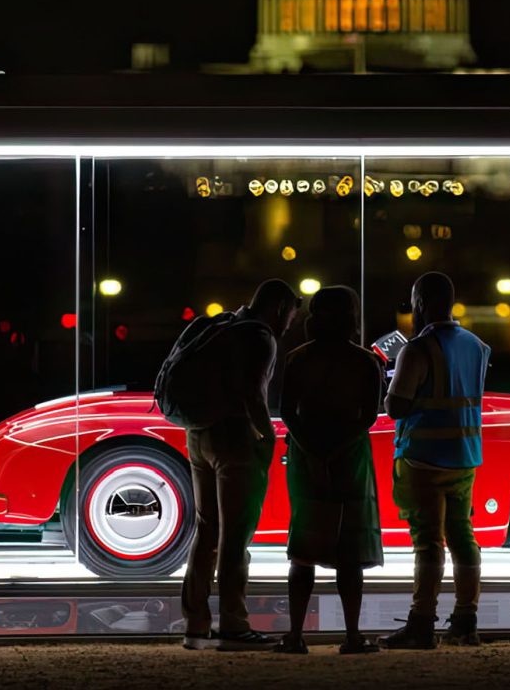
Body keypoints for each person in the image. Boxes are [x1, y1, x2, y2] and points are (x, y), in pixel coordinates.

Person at [179, 278, 301, 652]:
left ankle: (196, 624)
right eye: (290, 317)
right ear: (280, 308)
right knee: (235, 535)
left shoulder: (224, 326)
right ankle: (234, 624)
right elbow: (253, 394)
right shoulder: (261, 337)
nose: (289, 326)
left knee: (206, 531)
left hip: (198, 434)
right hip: (234, 438)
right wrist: (267, 437)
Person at [274, 286, 386, 655]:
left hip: (306, 455)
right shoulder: (365, 362)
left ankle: (295, 634)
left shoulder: (298, 358)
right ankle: (352, 635)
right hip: (350, 457)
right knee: (349, 550)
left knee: (303, 545)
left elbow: (287, 412)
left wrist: (311, 449)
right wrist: (338, 448)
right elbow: (368, 416)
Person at [382, 271, 491, 650]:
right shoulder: (477, 346)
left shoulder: (416, 349)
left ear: (421, 304)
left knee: (428, 543)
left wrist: (388, 379)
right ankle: (465, 620)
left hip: (422, 460)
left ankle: (422, 623)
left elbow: (396, 407)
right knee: (463, 537)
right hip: (464, 457)